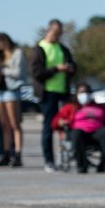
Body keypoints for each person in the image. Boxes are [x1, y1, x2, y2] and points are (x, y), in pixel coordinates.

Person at [31, 19, 76, 173]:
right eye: (56, 33)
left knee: (68, 124)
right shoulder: (39, 49)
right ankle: (49, 160)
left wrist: (70, 68)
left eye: (60, 33)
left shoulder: (63, 49)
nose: (59, 36)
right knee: (49, 127)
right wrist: (56, 69)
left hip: (63, 92)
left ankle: (68, 156)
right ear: (49, 30)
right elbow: (37, 73)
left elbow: (73, 65)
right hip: (48, 93)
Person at [54, 84, 105, 173]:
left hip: (97, 131)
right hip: (80, 132)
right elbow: (56, 121)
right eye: (82, 92)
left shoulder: (100, 106)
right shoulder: (70, 106)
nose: (85, 94)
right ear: (76, 94)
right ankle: (82, 165)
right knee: (76, 134)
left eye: (87, 92)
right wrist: (60, 122)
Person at [0, 33, 27, 167]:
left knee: (14, 124)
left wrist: (2, 69)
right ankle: (7, 153)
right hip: (0, 91)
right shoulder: (0, 55)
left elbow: (18, 73)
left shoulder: (17, 53)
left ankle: (18, 154)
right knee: (4, 125)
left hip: (12, 91)